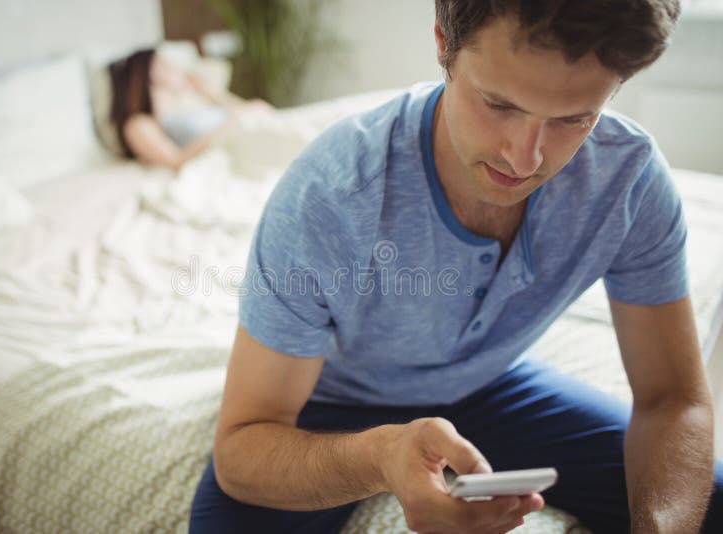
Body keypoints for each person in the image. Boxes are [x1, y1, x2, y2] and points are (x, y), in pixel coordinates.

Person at [189, 1, 723, 532]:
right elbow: (242, 449)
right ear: (443, 42)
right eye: (498, 104)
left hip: (490, 385)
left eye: (573, 118)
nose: (525, 159)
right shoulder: (330, 194)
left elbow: (672, 399)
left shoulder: (628, 180)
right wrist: (380, 456)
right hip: (328, 406)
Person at [109, 48, 270, 171]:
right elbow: (176, 161)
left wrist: (209, 94)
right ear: (149, 73)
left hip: (260, 128)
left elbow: (247, 108)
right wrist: (233, 122)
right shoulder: (138, 123)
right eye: (164, 64)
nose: (174, 67)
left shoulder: (189, 105)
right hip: (244, 142)